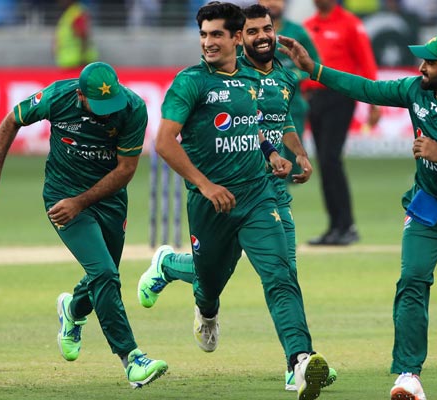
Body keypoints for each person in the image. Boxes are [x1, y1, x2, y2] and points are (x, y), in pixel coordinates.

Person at [277, 33, 437, 399]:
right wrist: (315, 70)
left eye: (430, 63)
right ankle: (409, 375)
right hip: (429, 203)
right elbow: (368, 90)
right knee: (412, 280)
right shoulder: (416, 90)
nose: (421, 68)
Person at [136, 3, 337, 394]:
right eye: (204, 35)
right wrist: (206, 186)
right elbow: (163, 143)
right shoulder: (190, 82)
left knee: (280, 274)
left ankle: (299, 361)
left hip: (258, 196)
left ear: (235, 37)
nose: (208, 43)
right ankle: (191, 291)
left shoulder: (254, 78)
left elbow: (257, 125)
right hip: (210, 204)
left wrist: (275, 154)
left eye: (216, 35)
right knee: (210, 282)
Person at [0, 61, 168, 389]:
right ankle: (132, 359)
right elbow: (12, 119)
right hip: (63, 199)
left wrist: (83, 202)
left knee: (102, 276)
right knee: (105, 274)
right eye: (100, 107)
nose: (108, 114)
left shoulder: (132, 108)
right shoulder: (57, 97)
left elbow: (125, 170)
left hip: (107, 200)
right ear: (80, 95)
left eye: (112, 105)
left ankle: (72, 310)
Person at [303, 0, 381, 246]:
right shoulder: (308, 25)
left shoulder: (350, 24)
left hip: (340, 96)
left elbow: (366, 62)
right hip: (313, 98)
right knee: (325, 163)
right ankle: (335, 227)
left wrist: (374, 102)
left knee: (330, 159)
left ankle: (346, 226)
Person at [258, 0, 321, 181]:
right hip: (259, 108)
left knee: (291, 163)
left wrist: (293, 75)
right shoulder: (249, 34)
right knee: (270, 161)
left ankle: (279, 205)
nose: (272, 3)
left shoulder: (297, 32)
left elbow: (314, 64)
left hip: (292, 107)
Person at [54, 0, 99, 69]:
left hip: (77, 63)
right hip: (71, 62)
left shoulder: (76, 13)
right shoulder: (71, 13)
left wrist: (83, 58)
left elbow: (83, 35)